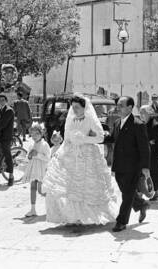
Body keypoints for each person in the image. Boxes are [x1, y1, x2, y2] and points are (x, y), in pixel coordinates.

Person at [43, 94, 118, 226]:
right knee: (68, 187)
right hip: (71, 153)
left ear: (84, 107)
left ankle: (86, 216)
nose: (75, 110)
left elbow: (100, 137)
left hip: (87, 153)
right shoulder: (70, 119)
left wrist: (84, 138)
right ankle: (73, 217)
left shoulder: (90, 119)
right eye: (73, 107)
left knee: (86, 187)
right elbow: (66, 138)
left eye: (77, 107)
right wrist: (60, 152)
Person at [104, 96, 150, 232]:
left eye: (121, 105)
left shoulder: (138, 124)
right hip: (119, 166)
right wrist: (98, 135)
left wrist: (146, 167)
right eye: (117, 105)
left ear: (130, 108)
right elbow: (112, 138)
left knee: (127, 194)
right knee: (127, 192)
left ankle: (121, 221)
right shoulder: (117, 123)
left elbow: (144, 147)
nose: (118, 108)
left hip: (133, 166)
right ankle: (142, 204)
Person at [22, 123, 51, 217]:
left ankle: (53, 204)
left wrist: (37, 154)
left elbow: (47, 158)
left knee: (41, 190)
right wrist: (29, 156)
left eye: (36, 134)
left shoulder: (45, 144)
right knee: (32, 188)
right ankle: (33, 209)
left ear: (41, 133)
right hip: (34, 169)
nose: (34, 136)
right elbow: (28, 157)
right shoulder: (31, 145)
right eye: (32, 134)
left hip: (42, 170)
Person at [139, 105, 158, 201]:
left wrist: (147, 143)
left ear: (149, 113)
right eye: (140, 113)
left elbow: (156, 141)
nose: (141, 115)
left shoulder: (155, 125)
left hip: (154, 154)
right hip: (146, 153)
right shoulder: (143, 124)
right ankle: (148, 191)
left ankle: (156, 192)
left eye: (143, 113)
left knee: (155, 173)